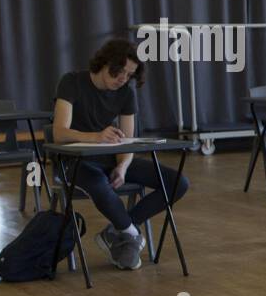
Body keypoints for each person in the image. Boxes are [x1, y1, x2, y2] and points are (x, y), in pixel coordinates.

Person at [52, 37, 190, 271]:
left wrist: (122, 166)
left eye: (129, 74)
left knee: (178, 183)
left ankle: (116, 232)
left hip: (109, 157)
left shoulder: (126, 93)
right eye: (120, 71)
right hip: (73, 160)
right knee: (100, 185)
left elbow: (127, 140)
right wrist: (95, 136)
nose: (123, 79)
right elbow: (59, 134)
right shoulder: (72, 82)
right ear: (104, 62)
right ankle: (131, 234)